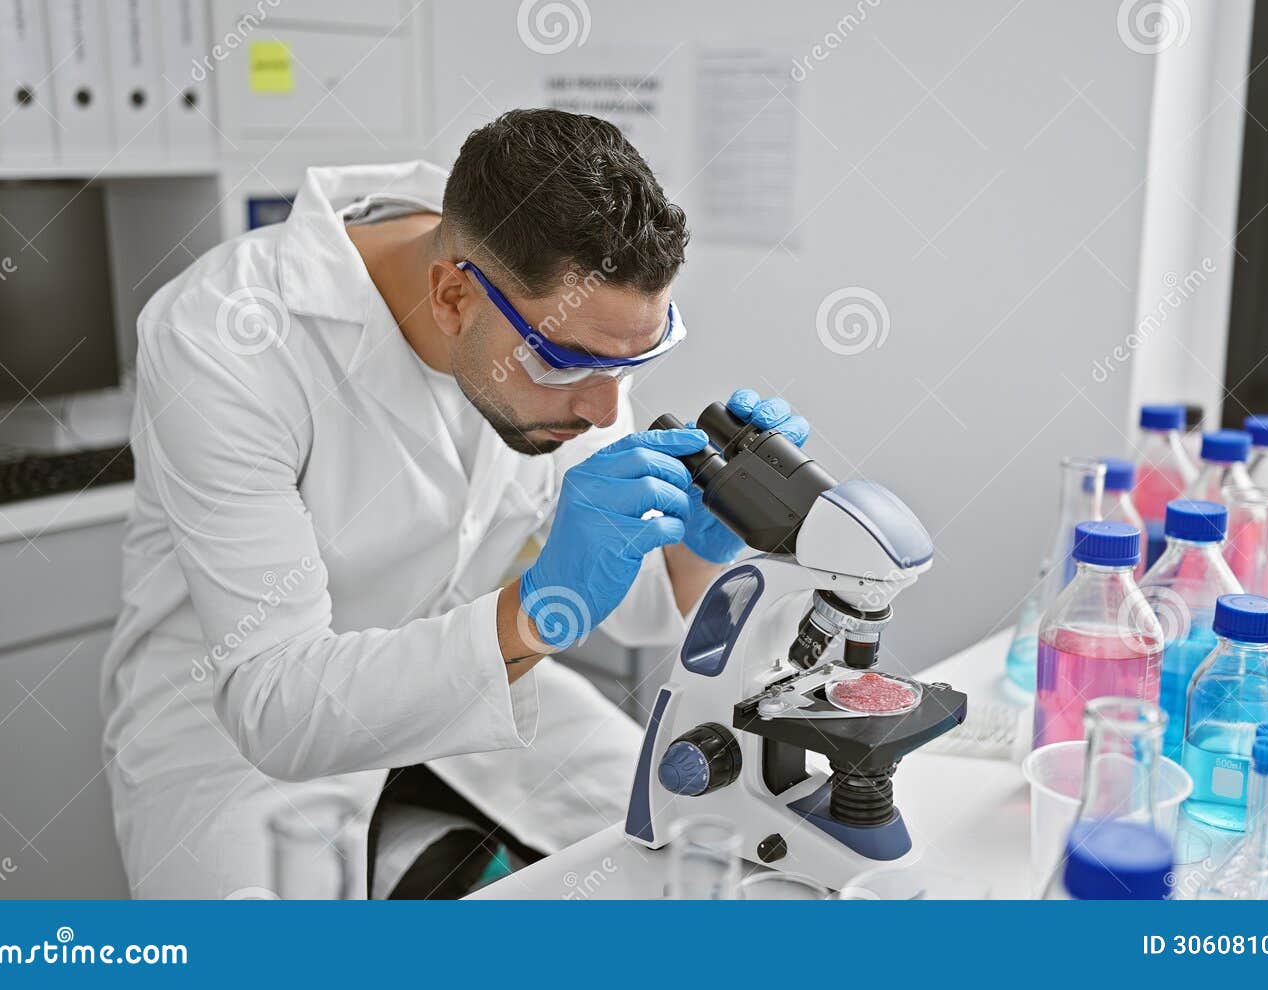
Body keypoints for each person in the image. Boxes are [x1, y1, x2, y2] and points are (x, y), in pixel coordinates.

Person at [100, 109, 808, 898]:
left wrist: (697, 544)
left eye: (636, 361)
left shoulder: (565, 319)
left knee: (704, 859)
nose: (606, 411)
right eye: (568, 366)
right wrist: (540, 608)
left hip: (473, 683)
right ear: (450, 297)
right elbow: (275, 704)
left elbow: (639, 612)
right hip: (241, 736)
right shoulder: (226, 339)